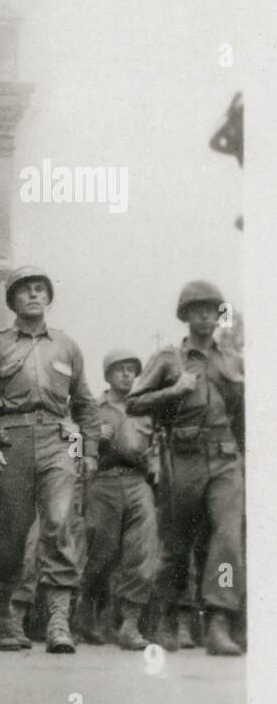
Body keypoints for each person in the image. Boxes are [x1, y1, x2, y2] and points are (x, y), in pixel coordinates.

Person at [0, 265, 100, 653]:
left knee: (59, 524)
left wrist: (88, 452)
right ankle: (4, 615)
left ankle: (59, 621)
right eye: (25, 290)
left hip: (58, 442)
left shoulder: (67, 346)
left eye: (40, 289)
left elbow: (85, 404)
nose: (34, 295)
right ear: (13, 300)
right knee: (9, 533)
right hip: (12, 445)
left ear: (49, 296)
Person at [126, 281, 244, 656]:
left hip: (225, 457)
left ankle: (219, 621)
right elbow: (134, 403)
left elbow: (244, 412)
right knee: (177, 542)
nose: (206, 316)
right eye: (197, 309)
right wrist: (174, 390)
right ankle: (168, 617)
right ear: (186, 316)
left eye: (211, 309)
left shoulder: (231, 359)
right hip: (183, 457)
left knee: (227, 536)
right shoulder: (168, 359)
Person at [74, 348, 159, 650]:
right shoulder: (93, 408)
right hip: (104, 482)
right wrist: (92, 438)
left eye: (131, 369)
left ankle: (130, 625)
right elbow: (72, 448)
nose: (126, 374)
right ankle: (86, 611)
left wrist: (156, 465)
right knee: (102, 552)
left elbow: (156, 444)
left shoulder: (145, 409)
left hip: (138, 482)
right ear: (108, 375)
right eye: (120, 369)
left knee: (143, 549)